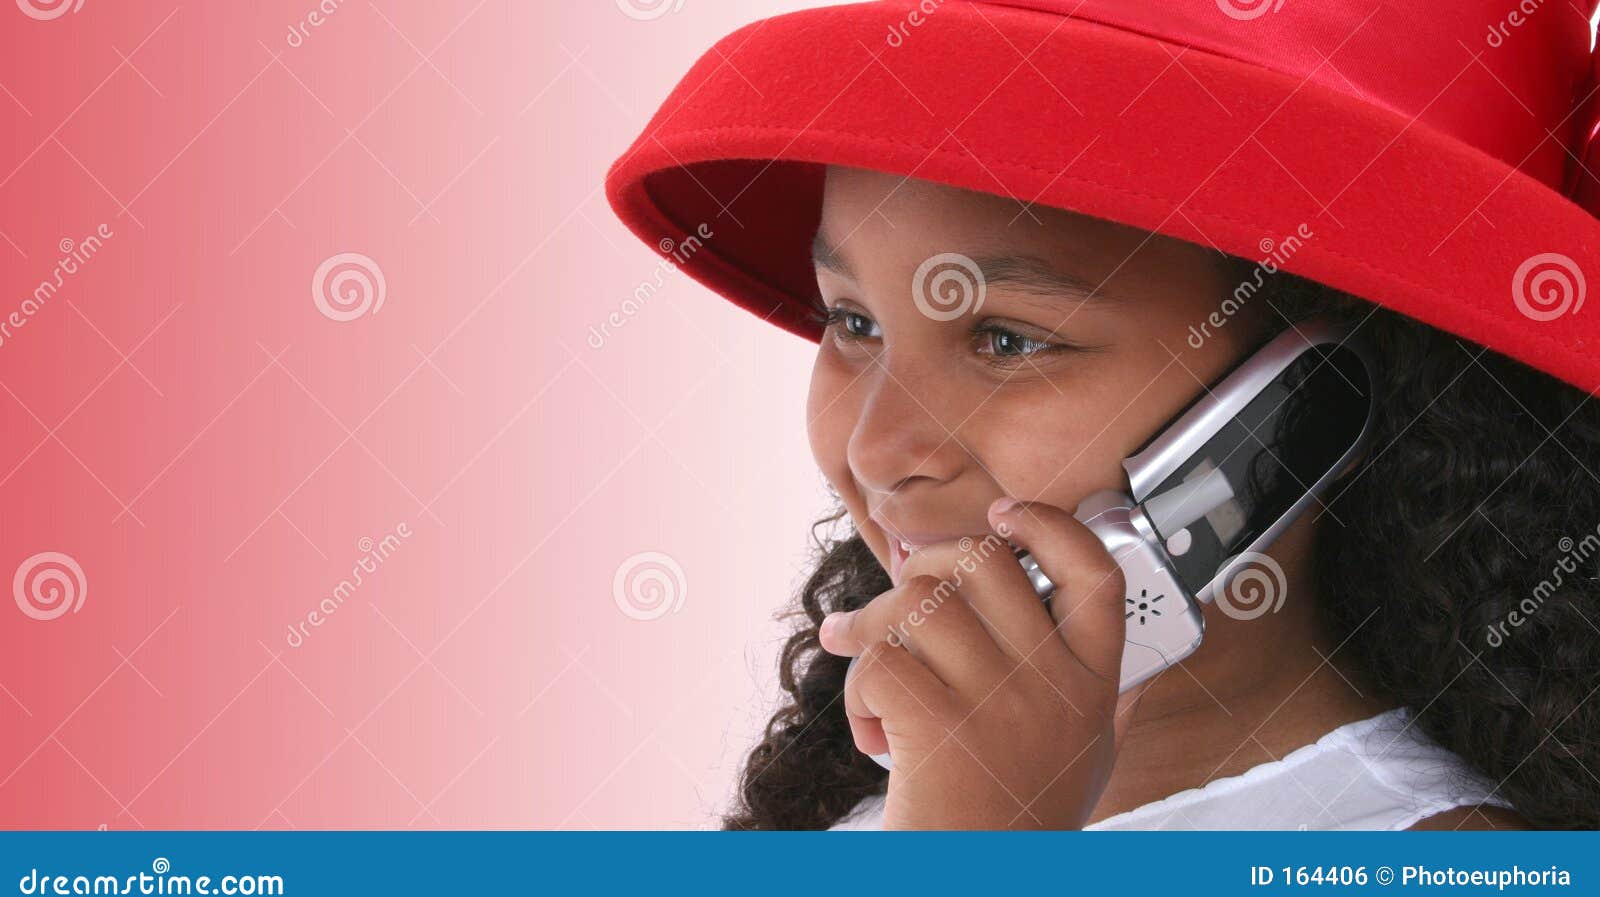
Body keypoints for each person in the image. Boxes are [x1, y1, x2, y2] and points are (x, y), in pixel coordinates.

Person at [605, 0, 1600, 829]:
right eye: (853, 321)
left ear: (1303, 411)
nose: (876, 450)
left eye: (1006, 341)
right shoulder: (880, 801)